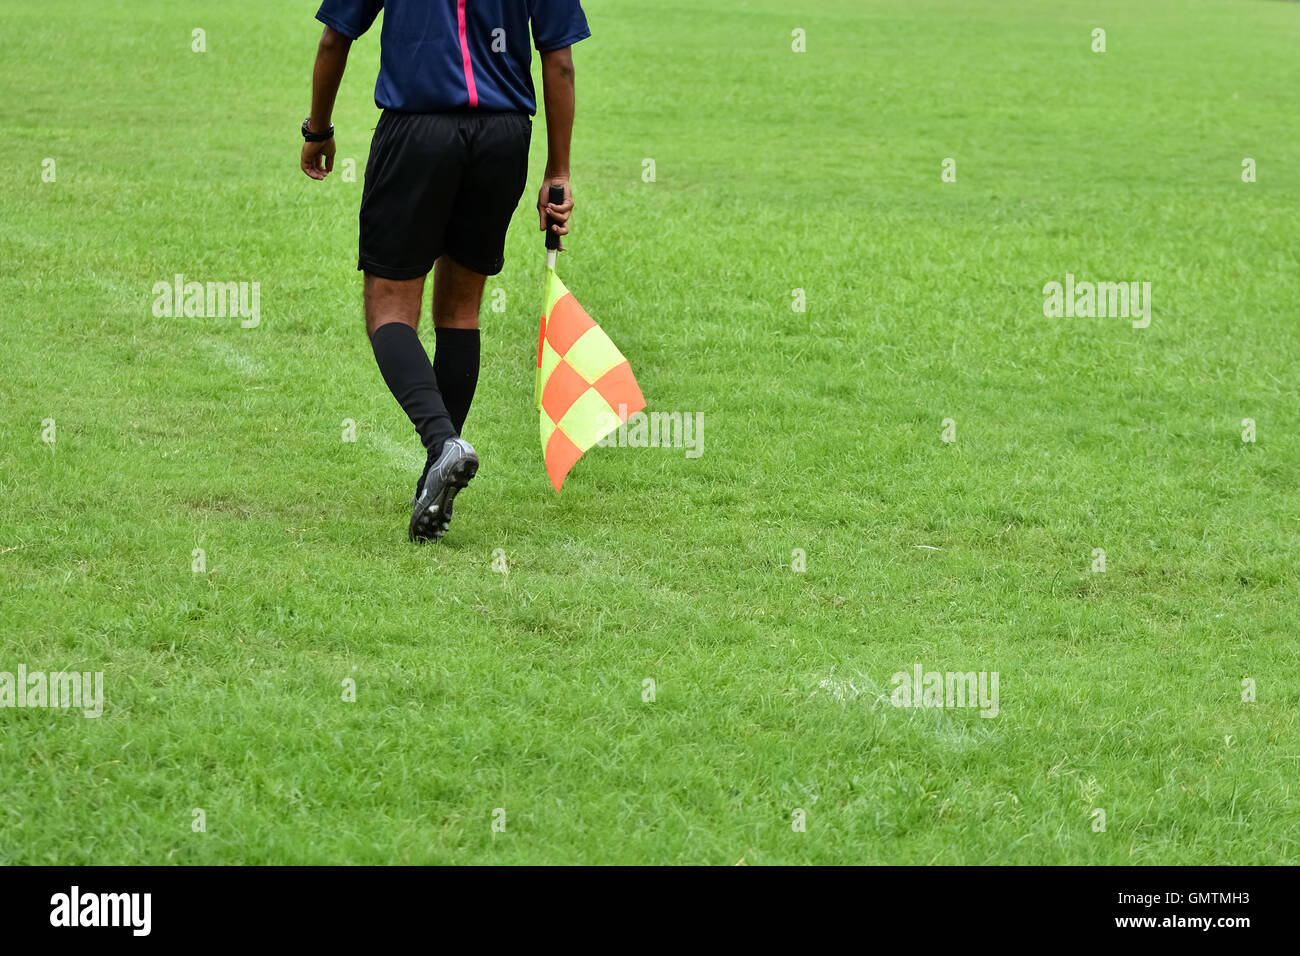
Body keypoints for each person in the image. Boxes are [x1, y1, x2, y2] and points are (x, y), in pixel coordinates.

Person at [300, 1, 590, 541]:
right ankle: (433, 482)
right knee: (460, 309)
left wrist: (318, 129)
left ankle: (442, 445)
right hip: (504, 136)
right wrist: (558, 169)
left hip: (417, 132)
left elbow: (334, 39)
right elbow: (560, 59)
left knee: (389, 309)